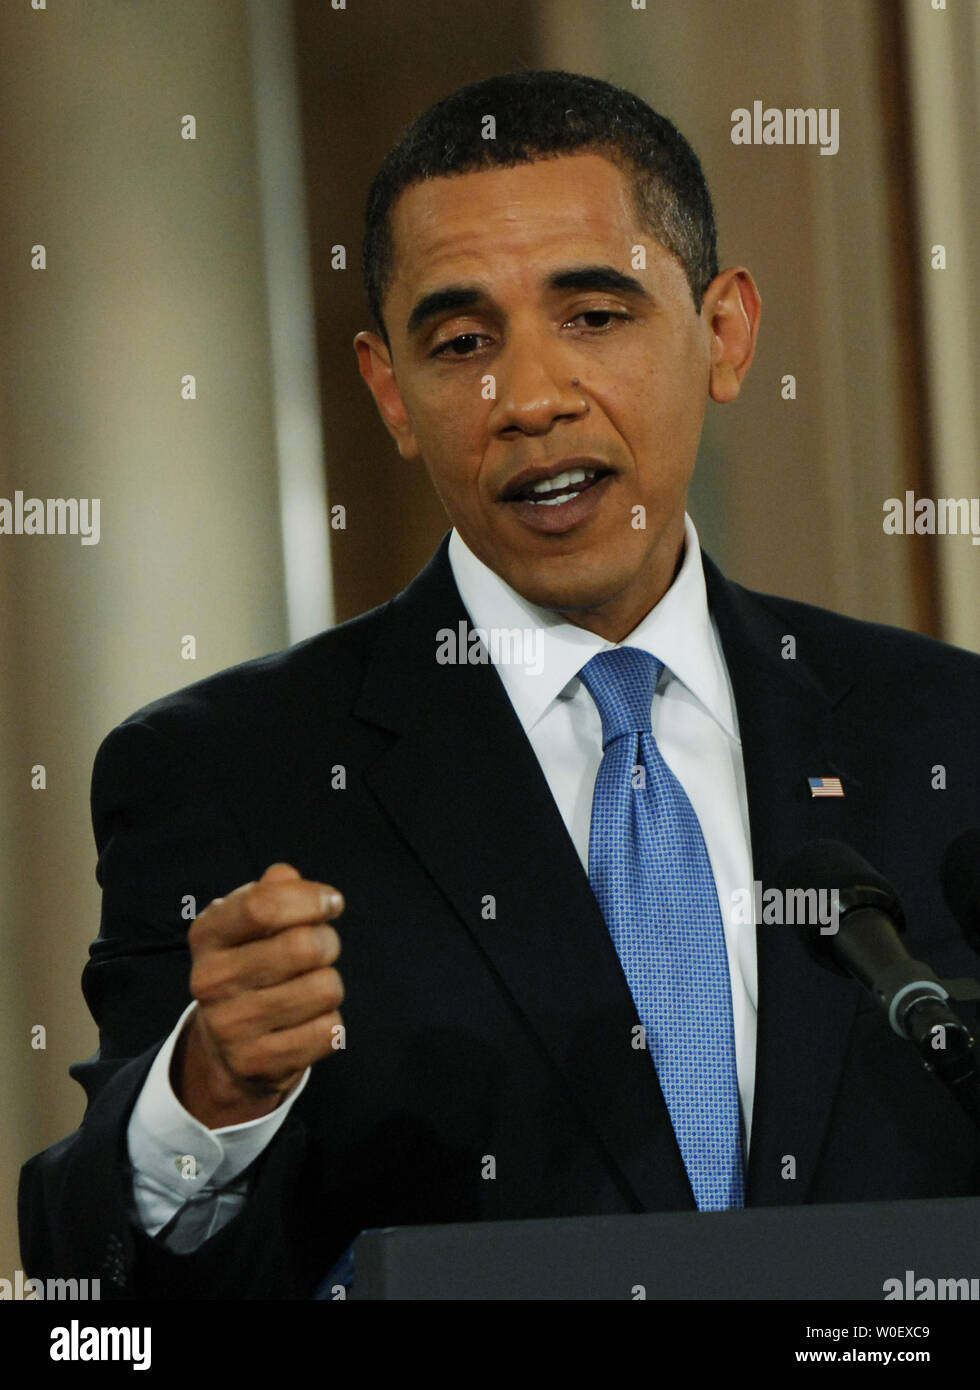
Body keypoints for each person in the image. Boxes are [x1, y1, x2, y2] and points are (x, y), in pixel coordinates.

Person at [19, 70, 980, 1300]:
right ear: (389, 393)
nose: (528, 397)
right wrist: (211, 1091)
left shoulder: (942, 733)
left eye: (594, 313)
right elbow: (86, 1287)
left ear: (725, 332)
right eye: (461, 341)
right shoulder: (230, 774)